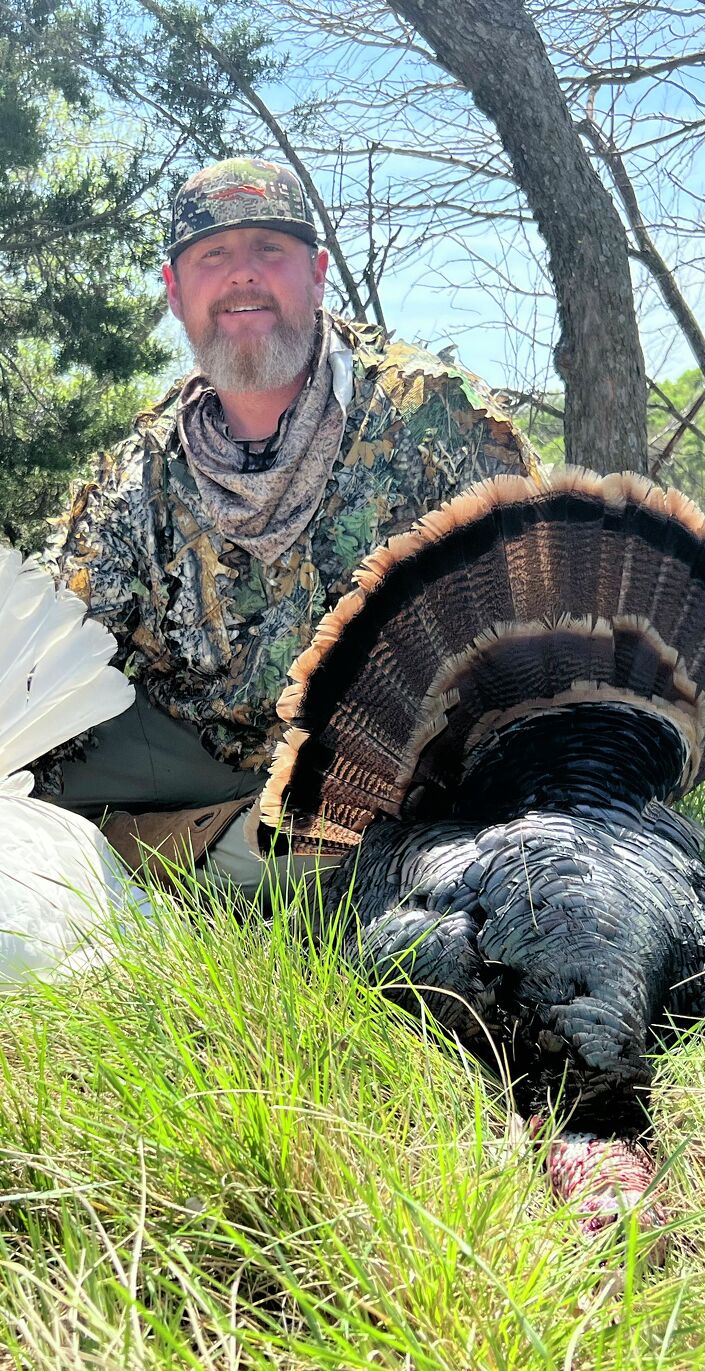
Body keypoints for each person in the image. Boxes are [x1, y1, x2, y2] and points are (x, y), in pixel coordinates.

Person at [41, 156, 542, 889]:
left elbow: (541, 612)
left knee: (431, 849)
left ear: (317, 272)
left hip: (390, 771)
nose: (243, 275)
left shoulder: (437, 416)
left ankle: (187, 864)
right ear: (176, 292)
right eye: (214, 255)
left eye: (269, 250)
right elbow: (55, 647)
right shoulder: (139, 474)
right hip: (205, 756)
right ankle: (195, 854)